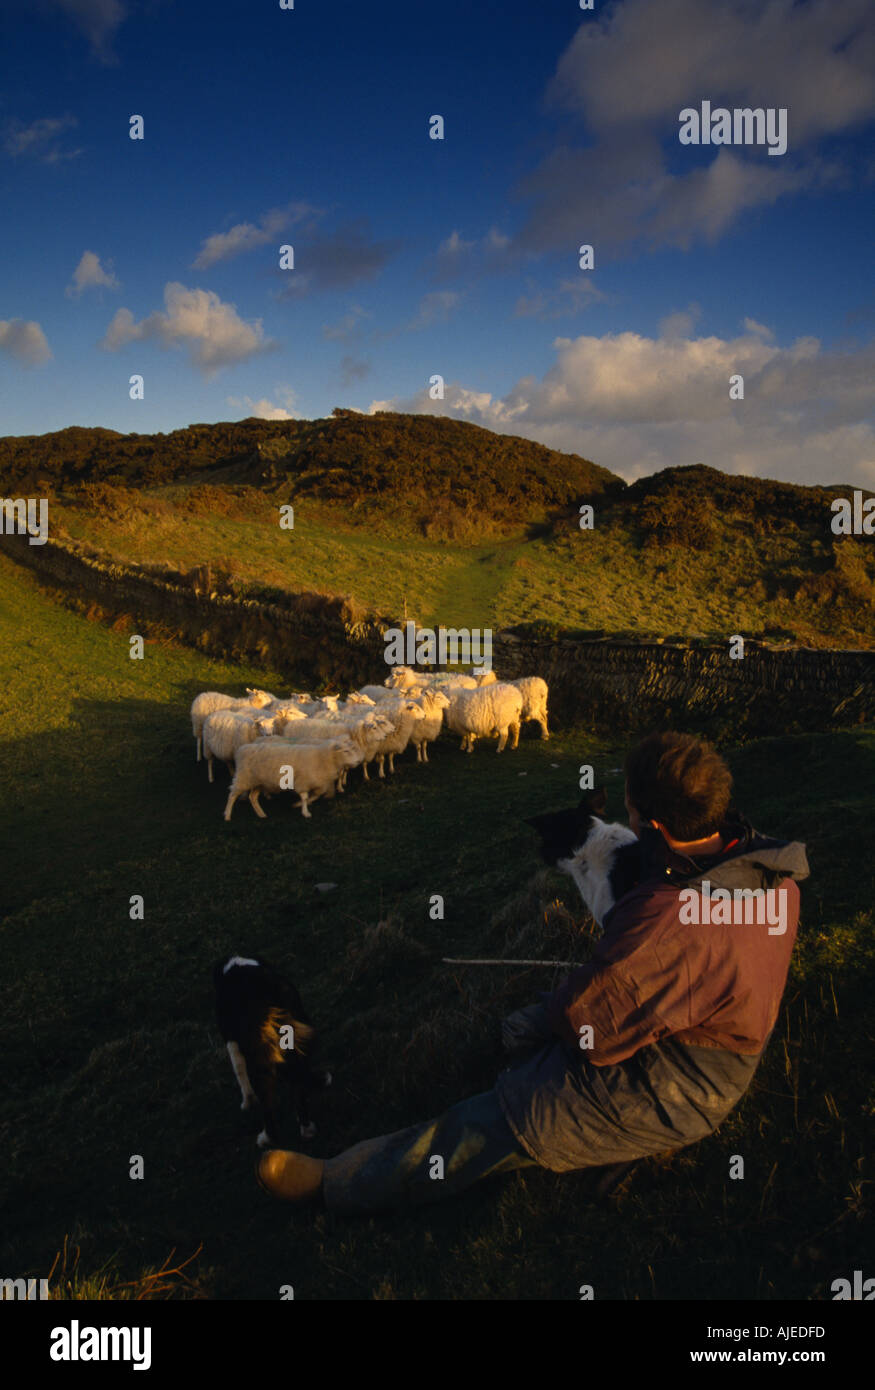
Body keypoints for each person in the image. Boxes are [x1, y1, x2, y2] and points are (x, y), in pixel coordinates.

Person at [256, 731, 809, 1211]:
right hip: (713, 1039)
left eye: (632, 811)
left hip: (681, 1083)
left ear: (655, 823)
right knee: (533, 1033)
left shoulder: (665, 918)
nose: (627, 818)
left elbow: (586, 1021)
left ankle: (339, 1181)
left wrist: (555, 1014)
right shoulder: (768, 870)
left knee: (509, 1112)